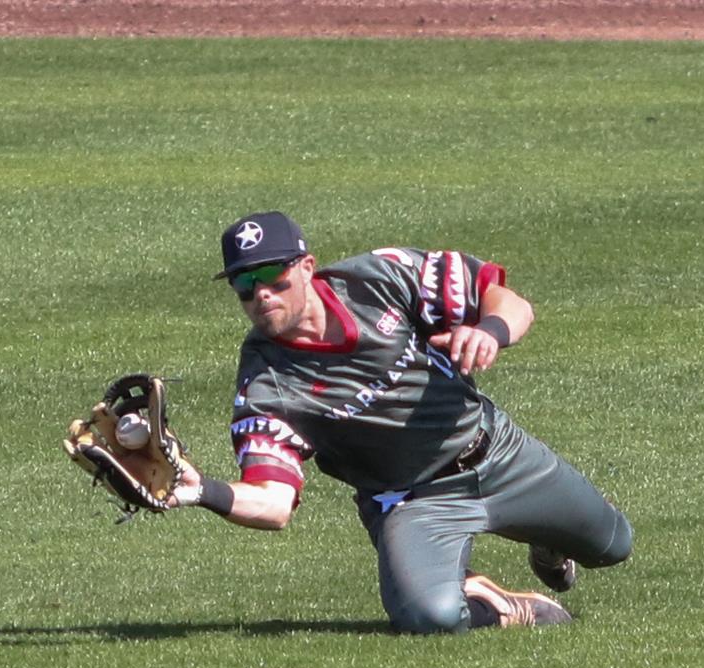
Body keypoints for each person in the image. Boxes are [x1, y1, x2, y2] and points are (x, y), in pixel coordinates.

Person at [168, 211, 633, 633]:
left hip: (496, 452)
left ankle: (547, 539)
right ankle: (507, 606)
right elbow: (274, 503)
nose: (261, 292)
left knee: (614, 545)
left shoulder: (379, 278)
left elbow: (510, 302)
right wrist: (200, 490)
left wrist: (489, 331)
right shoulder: (265, 383)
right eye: (244, 283)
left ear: (307, 267)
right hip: (414, 501)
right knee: (430, 616)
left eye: (273, 274)